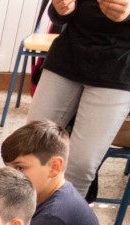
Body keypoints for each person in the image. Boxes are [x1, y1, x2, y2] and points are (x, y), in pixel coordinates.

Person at [27, 0, 130, 197]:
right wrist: (61, 9)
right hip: (68, 55)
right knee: (31, 147)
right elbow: (57, 15)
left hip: (119, 69)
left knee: (81, 165)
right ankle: (22, 217)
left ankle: (63, 221)